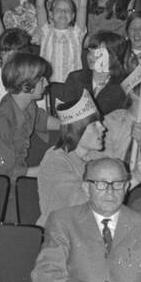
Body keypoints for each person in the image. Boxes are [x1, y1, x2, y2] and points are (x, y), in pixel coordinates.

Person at [36, 92, 109, 226]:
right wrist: (135, 177)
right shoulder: (55, 161)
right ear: (77, 130)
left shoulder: (98, 157)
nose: (103, 128)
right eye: (94, 125)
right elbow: (79, 203)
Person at [0, 53, 53, 180]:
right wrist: (47, 171)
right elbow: (8, 172)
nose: (47, 83)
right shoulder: (2, 122)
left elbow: (40, 119)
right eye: (41, 80)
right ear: (26, 86)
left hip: (18, 172)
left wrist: (68, 124)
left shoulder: (27, 104)